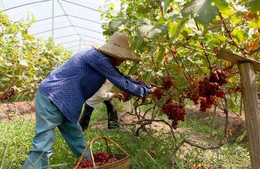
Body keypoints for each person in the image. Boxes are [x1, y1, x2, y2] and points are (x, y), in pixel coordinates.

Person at [22, 32, 158, 169]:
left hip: (65, 104)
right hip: (53, 97)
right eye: (123, 58)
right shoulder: (99, 59)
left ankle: (92, 164)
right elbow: (122, 82)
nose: (123, 61)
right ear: (115, 53)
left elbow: (122, 77)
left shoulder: (101, 59)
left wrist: (146, 87)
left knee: (77, 138)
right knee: (43, 144)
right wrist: (147, 91)